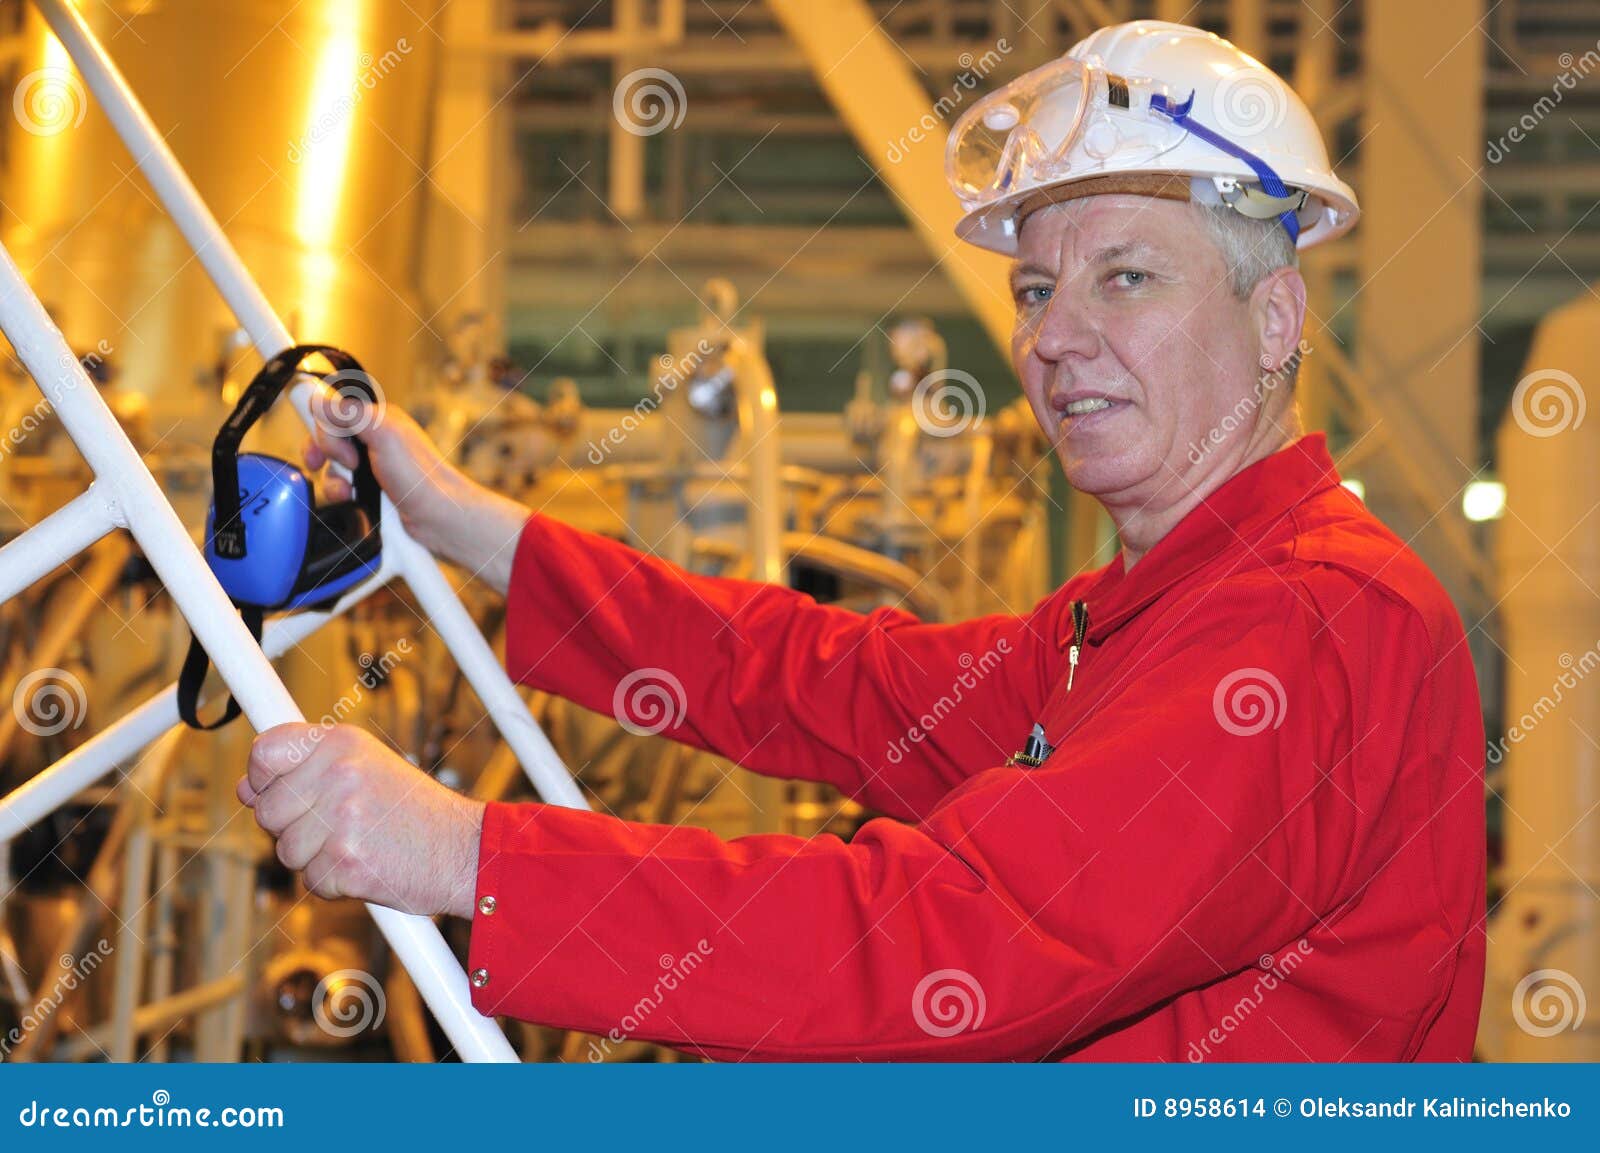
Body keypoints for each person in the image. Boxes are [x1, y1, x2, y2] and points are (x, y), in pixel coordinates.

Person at [238, 20, 1485, 1061]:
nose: (1053, 338)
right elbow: (825, 681)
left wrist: (468, 853)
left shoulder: (1316, 617)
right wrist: (473, 526)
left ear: (1275, 319)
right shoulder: (1143, 612)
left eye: (1124, 278)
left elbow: (950, 943)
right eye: (1036, 289)